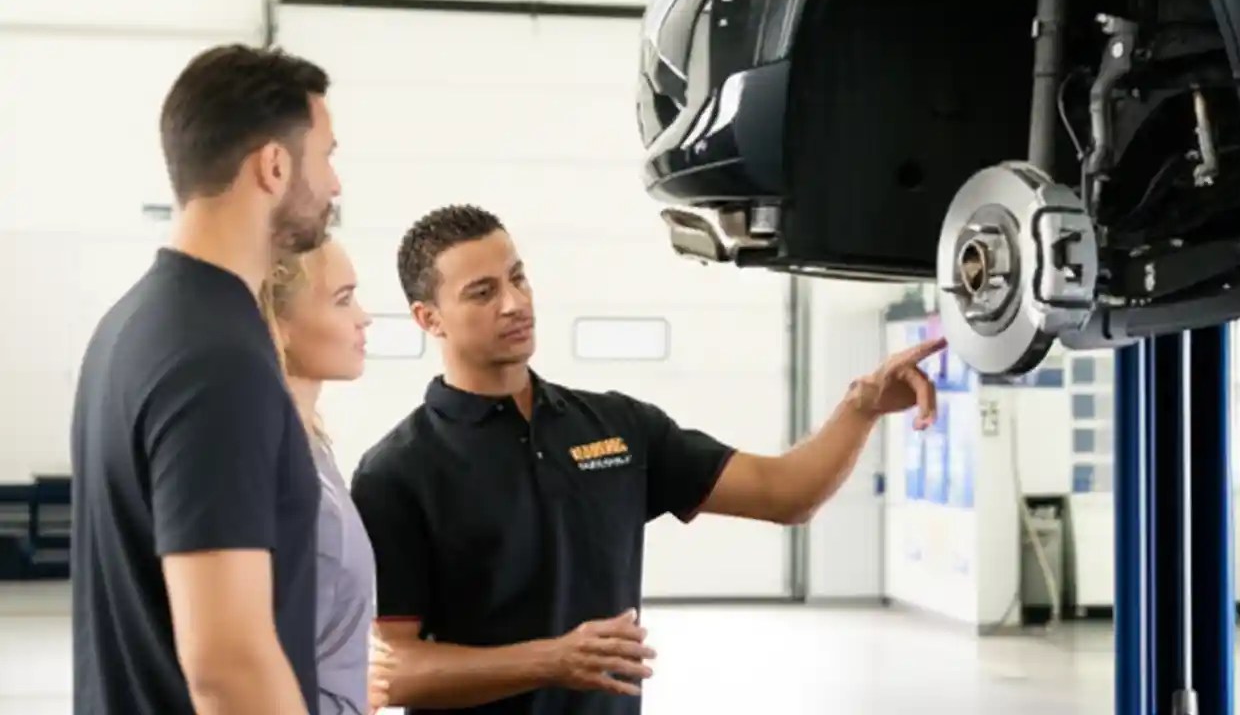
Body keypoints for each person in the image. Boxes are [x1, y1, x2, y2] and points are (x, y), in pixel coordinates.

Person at [349, 204, 945, 715]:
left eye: (518, 277)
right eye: (483, 293)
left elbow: (785, 494)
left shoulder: (617, 427)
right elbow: (392, 671)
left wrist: (859, 408)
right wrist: (550, 660)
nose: (514, 303)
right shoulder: (398, 472)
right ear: (430, 319)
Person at [70, 44, 341, 715]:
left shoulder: (129, 325)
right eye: (328, 156)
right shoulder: (216, 358)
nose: (336, 185)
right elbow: (228, 663)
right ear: (274, 166)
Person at [258, 238, 397, 714]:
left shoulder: (313, 445)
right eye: (343, 299)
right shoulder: (279, 469)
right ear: (281, 325)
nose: (364, 317)